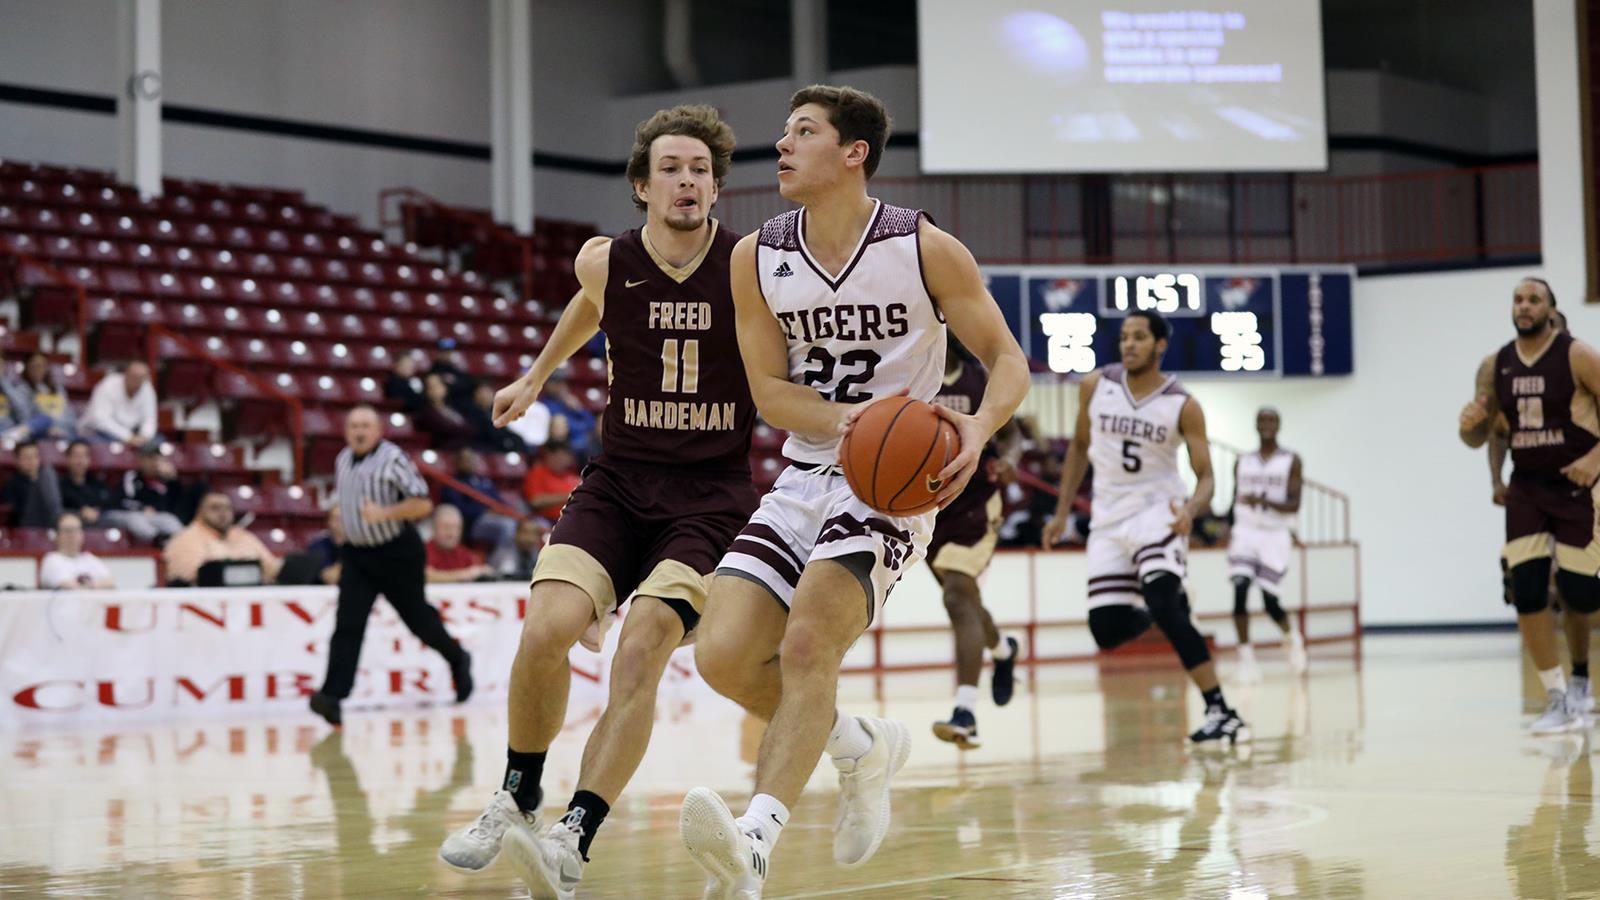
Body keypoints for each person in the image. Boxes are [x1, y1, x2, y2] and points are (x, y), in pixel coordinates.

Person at [680, 84, 1028, 897]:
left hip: (892, 488)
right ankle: (861, 749)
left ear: (853, 153)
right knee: (722, 654)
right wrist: (853, 420)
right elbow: (768, 389)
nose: (782, 146)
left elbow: (1006, 359)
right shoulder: (754, 256)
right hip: (810, 469)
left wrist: (977, 429)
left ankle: (754, 841)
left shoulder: (923, 248)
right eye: (785, 132)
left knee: (808, 648)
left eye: (803, 132)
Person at [439, 104, 760, 899]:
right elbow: (592, 304)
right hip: (618, 481)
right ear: (642, 186)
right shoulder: (603, 260)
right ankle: (516, 796)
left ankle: (574, 833)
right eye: (672, 169)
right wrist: (538, 373)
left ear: (716, 186)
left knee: (644, 644)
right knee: (546, 625)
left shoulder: (750, 263)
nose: (688, 181)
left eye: (701, 170)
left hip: (709, 496)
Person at [1041, 309, 1248, 747]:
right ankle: (1169, 602)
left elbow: (1207, 475)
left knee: (1163, 602)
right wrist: (1061, 514)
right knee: (1107, 629)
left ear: (1160, 345)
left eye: (1139, 337)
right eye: (1124, 337)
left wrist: (1192, 508)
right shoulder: (1096, 386)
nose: (1129, 344)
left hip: (1159, 512)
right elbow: (1079, 447)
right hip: (1109, 518)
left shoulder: (1183, 403)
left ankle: (1220, 710)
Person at [1459, 277, 1600, 734]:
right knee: (1526, 587)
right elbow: (1485, 434)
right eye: (1517, 299)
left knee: (1580, 594)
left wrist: (1595, 457)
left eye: (1533, 299)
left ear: (1551, 310)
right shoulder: (1494, 364)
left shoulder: (1577, 355)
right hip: (1527, 487)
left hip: (1579, 487)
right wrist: (1470, 429)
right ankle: (1556, 696)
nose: (1524, 306)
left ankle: (1581, 676)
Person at [308, 406, 472, 727]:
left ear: (378, 430)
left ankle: (457, 658)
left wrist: (385, 513)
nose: (359, 431)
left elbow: (423, 502)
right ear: (345, 431)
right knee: (347, 625)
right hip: (357, 555)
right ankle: (332, 696)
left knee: (419, 622)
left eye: (365, 426)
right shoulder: (342, 459)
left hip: (397, 553)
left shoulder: (393, 459)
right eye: (353, 425)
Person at [927, 334, 1022, 749]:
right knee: (965, 600)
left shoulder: (978, 379)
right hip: (929, 507)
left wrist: (1009, 461)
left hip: (977, 503)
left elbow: (1013, 433)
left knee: (957, 598)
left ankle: (966, 711)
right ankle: (1003, 650)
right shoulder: (914, 375)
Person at [1228, 407, 1309, 682]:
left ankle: (1291, 636)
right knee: (1239, 590)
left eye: (1271, 420)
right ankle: (1246, 659)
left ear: (1279, 424)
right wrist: (1225, 530)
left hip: (1274, 533)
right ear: (1255, 425)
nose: (1266, 425)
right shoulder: (1243, 461)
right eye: (1261, 420)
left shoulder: (1291, 460)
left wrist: (1264, 502)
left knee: (1269, 600)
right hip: (1246, 531)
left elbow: (1294, 503)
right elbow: (1233, 501)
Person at [163, 491, 282, 585]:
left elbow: (273, 568)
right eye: (215, 508)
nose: (223, 513)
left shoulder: (243, 536)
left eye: (227, 508)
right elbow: (189, 577)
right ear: (199, 512)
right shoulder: (185, 539)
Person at [440, 447, 520, 555]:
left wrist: (508, 510)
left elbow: (497, 500)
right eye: (466, 459)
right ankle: (502, 564)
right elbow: (458, 509)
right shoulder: (452, 483)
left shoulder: (483, 481)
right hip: (472, 524)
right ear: (458, 462)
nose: (470, 462)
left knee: (523, 522)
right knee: (507, 526)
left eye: (472, 459)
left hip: (491, 518)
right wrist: (484, 511)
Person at [80, 361, 158, 447]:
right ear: (125, 374)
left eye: (141, 378)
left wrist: (144, 436)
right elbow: (100, 420)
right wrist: (128, 437)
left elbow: (149, 419)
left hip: (133, 434)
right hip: (99, 432)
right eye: (134, 376)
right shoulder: (108, 385)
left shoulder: (147, 388)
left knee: (158, 444)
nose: (137, 381)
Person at [39, 512, 114, 589]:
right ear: (56, 535)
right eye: (67, 530)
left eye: (76, 530)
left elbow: (110, 582)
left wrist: (86, 586)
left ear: (82, 534)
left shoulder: (89, 558)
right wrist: (94, 585)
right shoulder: (52, 559)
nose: (72, 535)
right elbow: (66, 586)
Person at [0, 439, 62, 528]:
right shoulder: (12, 483)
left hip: (51, 523)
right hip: (26, 526)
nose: (31, 460)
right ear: (17, 460)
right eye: (26, 457)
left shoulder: (48, 480)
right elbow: (11, 513)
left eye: (34, 456)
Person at [15, 351, 76, 440]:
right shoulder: (21, 389)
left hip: (63, 431)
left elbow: (69, 415)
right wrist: (47, 428)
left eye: (42, 366)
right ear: (26, 368)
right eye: (34, 366)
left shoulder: (58, 389)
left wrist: (63, 429)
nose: (38, 369)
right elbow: (25, 416)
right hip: (39, 433)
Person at [425, 504, 493, 583]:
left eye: (456, 528)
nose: (451, 532)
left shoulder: (465, 554)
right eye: (446, 527)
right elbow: (425, 576)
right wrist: (466, 574)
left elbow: (480, 571)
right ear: (434, 528)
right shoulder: (423, 551)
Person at [537, 368, 597, 458]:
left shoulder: (569, 402)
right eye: (556, 382)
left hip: (579, 442)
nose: (560, 386)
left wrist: (579, 409)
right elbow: (568, 427)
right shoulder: (544, 404)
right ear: (547, 384)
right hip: (560, 445)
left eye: (562, 382)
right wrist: (582, 427)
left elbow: (592, 423)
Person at [413, 372, 478, 449]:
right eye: (431, 387)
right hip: (446, 448)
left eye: (438, 385)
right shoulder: (427, 412)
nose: (435, 390)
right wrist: (464, 430)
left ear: (445, 388)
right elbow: (446, 430)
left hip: (465, 445)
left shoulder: (453, 408)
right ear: (426, 391)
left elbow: (472, 428)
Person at [521, 441, 581, 523]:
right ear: (549, 456)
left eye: (566, 456)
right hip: (546, 520)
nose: (564, 460)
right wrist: (571, 496)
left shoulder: (573, 476)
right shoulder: (537, 473)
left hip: (572, 519)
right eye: (559, 456)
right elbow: (535, 501)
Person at [306, 504, 344, 586]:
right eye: (336, 519)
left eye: (343, 519)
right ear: (328, 521)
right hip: (320, 595)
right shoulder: (318, 546)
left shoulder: (360, 546)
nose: (339, 523)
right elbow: (330, 578)